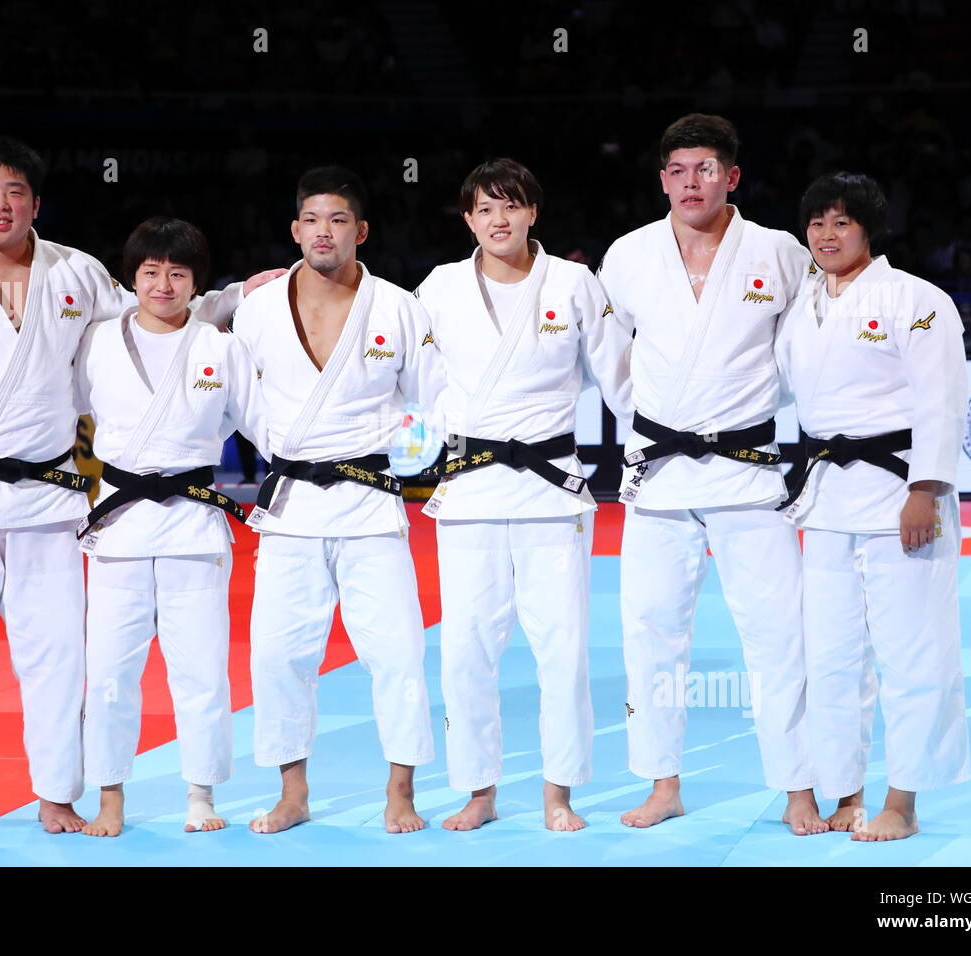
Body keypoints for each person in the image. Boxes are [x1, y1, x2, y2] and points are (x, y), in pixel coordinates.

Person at [0, 135, 277, 851]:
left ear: (35, 203)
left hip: (48, 497)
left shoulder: (78, 272)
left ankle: (55, 793)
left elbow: (153, 313)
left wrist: (230, 299)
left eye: (15, 192)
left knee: (58, 655)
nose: (0, 204)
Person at [598, 114, 820, 832]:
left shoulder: (780, 252)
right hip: (659, 474)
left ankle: (799, 787)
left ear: (732, 176)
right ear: (662, 179)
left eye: (705, 169)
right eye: (677, 170)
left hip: (748, 473)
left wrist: (740, 416)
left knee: (781, 632)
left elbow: (803, 355)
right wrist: (660, 427)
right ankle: (663, 784)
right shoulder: (628, 255)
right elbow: (612, 363)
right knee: (650, 631)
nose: (691, 182)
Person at [413, 158, 633, 831]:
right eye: (484, 209)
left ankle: (557, 790)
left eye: (510, 206)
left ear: (533, 212)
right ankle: (477, 789)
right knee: (465, 648)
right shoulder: (441, 287)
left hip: (551, 490)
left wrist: (651, 453)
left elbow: (622, 378)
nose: (498, 219)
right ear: (468, 219)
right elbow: (417, 383)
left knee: (562, 646)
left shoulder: (572, 283)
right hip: (471, 488)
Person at [232, 166, 440, 834]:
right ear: (296, 229)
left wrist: (398, 470)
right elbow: (240, 397)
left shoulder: (399, 307)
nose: (325, 232)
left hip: (372, 504)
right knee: (278, 652)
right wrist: (285, 450)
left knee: (399, 652)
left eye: (339, 220)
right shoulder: (258, 308)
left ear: (362, 231)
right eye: (313, 220)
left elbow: (432, 401)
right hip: (292, 505)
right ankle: (293, 792)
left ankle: (400, 791)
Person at [776, 171, 970, 841]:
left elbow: (941, 402)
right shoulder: (802, 308)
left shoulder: (914, 299)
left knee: (913, 654)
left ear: (869, 229)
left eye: (842, 222)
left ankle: (904, 801)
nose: (828, 235)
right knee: (831, 657)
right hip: (827, 501)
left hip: (898, 498)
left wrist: (926, 489)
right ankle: (847, 791)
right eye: (818, 223)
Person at [75, 216, 268, 837]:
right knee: (108, 671)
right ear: (131, 279)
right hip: (121, 524)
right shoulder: (97, 341)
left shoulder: (222, 347)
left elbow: (266, 427)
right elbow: (56, 412)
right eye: (151, 271)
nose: (163, 284)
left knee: (201, 667)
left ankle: (199, 794)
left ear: (196, 283)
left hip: (194, 523)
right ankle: (110, 796)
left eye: (177, 273)